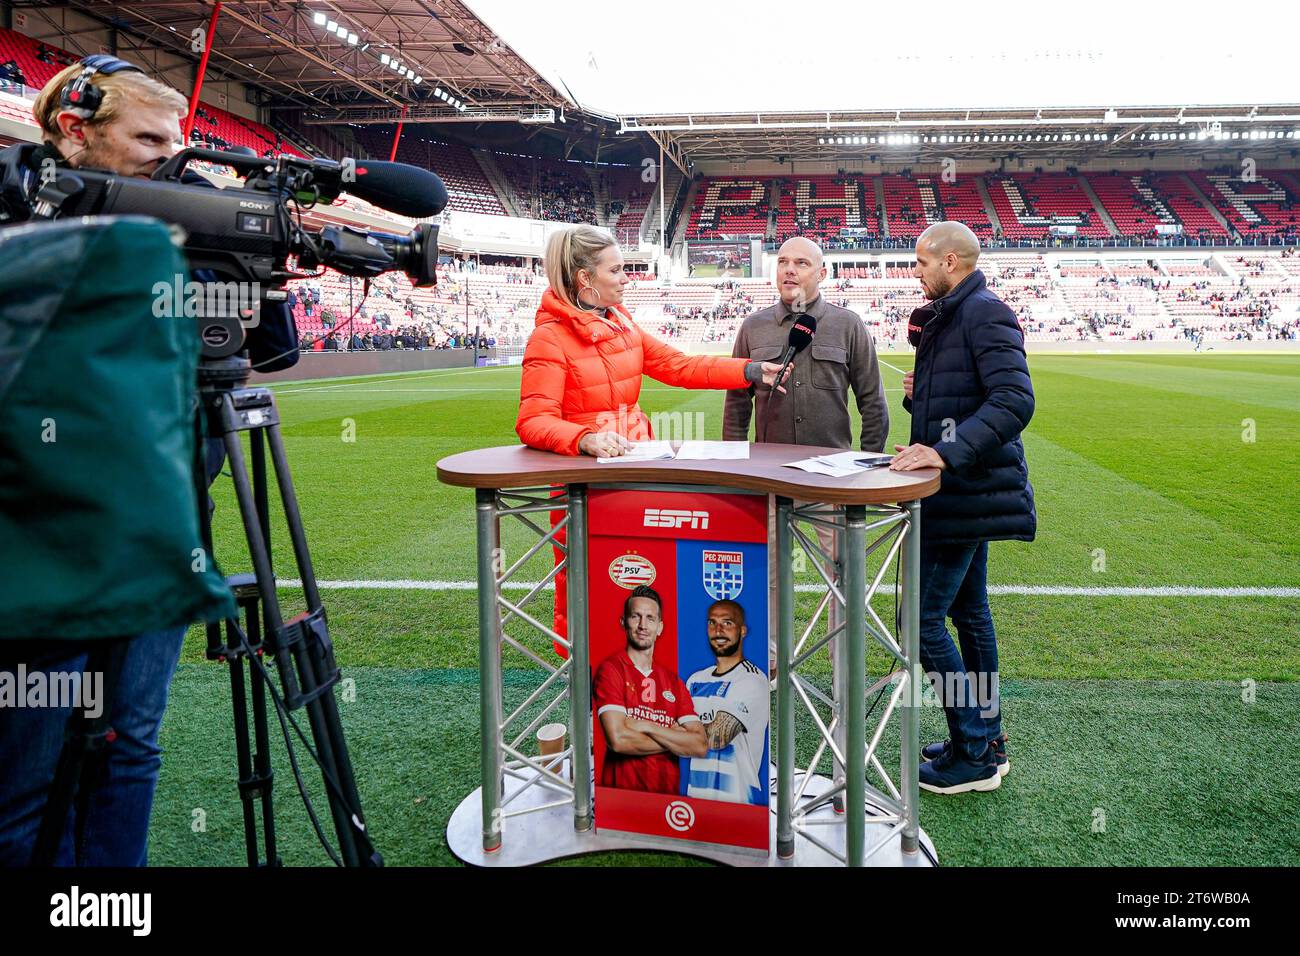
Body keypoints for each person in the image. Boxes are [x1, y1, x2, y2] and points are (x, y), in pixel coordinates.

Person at [0, 56, 194, 866]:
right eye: (148, 138)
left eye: (176, 138)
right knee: (26, 777)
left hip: (158, 542)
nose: (170, 155)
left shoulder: (180, 217)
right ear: (74, 132)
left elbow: (268, 349)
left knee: (130, 749)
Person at [516, 225, 787, 649]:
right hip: (582, 486)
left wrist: (749, 370)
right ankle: (581, 699)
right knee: (584, 586)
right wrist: (585, 438)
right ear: (586, 279)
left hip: (636, 470)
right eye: (618, 270)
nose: (628, 278)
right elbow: (533, 420)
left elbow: (679, 366)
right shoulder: (549, 338)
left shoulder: (622, 322)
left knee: (640, 577)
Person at [890, 221, 1035, 795]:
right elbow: (970, 397)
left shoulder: (983, 312)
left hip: (965, 492)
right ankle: (986, 738)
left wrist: (944, 453)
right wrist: (919, 403)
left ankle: (973, 748)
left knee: (921, 621)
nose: (916, 272)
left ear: (951, 261)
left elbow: (1014, 401)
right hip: (963, 491)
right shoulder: (955, 314)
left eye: (922, 263)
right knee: (969, 615)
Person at [724, 235, 890, 681]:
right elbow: (737, 404)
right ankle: (769, 664)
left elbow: (872, 402)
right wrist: (737, 469)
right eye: (782, 262)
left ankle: (844, 670)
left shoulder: (847, 325)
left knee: (843, 578)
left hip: (832, 481)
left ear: (821, 272)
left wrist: (867, 469)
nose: (789, 270)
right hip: (768, 479)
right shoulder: (753, 326)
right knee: (767, 575)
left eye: (801, 262)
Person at [593, 586, 707, 794]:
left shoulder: (673, 681)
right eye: (636, 617)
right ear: (623, 623)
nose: (643, 625)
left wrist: (647, 726)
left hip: (666, 805)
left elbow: (699, 745)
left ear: (660, 627)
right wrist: (675, 739)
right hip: (620, 798)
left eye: (650, 618)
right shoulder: (611, 671)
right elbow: (619, 740)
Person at [685, 600, 769, 805]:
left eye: (727, 623)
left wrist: (673, 731)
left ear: (742, 631)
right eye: (712, 623)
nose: (718, 630)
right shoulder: (695, 679)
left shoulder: (753, 680)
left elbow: (716, 738)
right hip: (696, 798)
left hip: (740, 801)